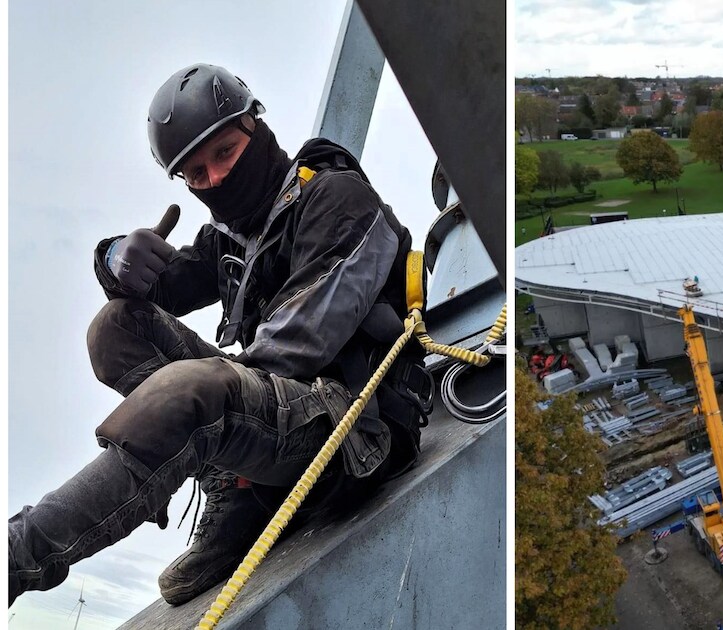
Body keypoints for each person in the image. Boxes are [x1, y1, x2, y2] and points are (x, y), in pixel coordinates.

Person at [8, 63, 428, 606]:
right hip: (283, 423)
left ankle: (19, 557)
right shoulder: (231, 239)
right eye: (197, 174)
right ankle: (239, 488)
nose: (217, 179)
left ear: (256, 125)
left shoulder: (338, 199)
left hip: (354, 433)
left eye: (225, 153)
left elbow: (297, 347)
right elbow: (156, 293)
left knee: (193, 390)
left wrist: (197, 410)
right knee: (115, 327)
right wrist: (115, 260)